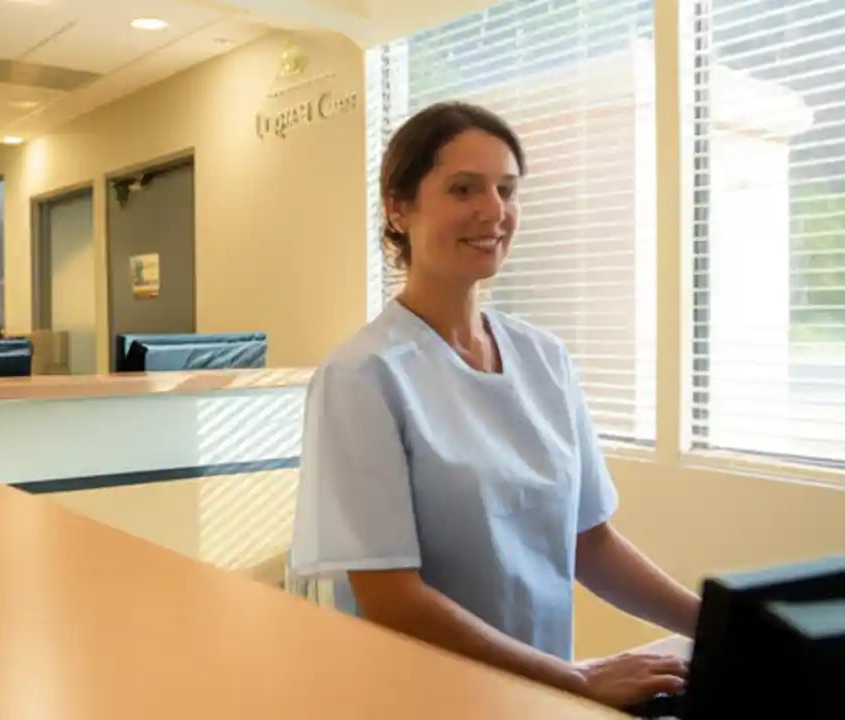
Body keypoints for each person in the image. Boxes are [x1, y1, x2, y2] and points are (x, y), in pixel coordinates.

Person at [289, 102, 700, 711]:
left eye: (506, 189)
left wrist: (721, 623)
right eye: (463, 188)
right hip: (422, 700)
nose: (494, 211)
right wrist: (579, 681)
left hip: (539, 692)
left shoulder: (545, 359)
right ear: (398, 208)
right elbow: (390, 598)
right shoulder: (362, 376)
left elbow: (590, 542)